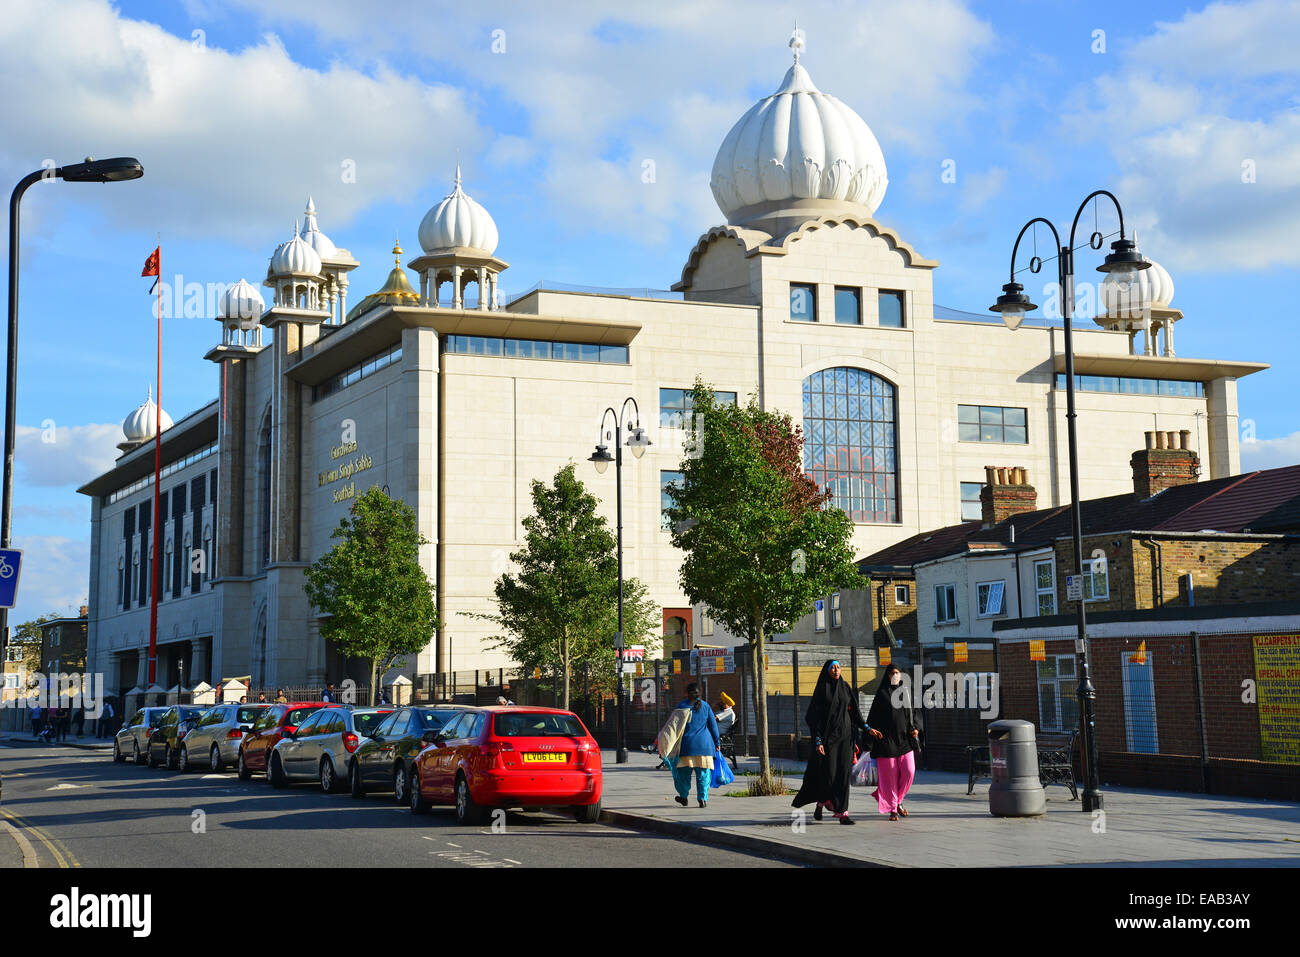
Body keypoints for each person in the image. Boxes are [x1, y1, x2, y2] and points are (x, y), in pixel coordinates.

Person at [791, 660, 867, 825]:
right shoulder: (822, 690)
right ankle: (821, 803)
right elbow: (814, 718)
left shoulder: (845, 687)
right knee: (830, 775)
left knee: (844, 775)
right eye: (833, 667)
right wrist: (818, 741)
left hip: (846, 739)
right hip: (828, 740)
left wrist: (867, 728)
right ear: (827, 670)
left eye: (838, 667)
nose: (836, 670)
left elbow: (855, 712)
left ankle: (843, 813)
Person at [865, 662, 921, 821]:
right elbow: (872, 719)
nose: (895, 675)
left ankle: (897, 801)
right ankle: (893, 810)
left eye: (897, 673)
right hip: (886, 742)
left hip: (905, 740)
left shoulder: (907, 693)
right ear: (887, 676)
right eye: (891, 673)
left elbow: (916, 714)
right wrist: (869, 741)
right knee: (889, 777)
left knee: (909, 771)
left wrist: (916, 728)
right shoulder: (881, 694)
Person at [672, 683, 719, 808]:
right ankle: (702, 800)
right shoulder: (706, 706)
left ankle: (683, 796)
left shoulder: (681, 706)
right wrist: (717, 743)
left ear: (687, 693)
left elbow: (673, 727)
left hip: (686, 746)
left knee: (683, 775)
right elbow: (713, 727)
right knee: (703, 775)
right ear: (700, 693)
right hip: (705, 746)